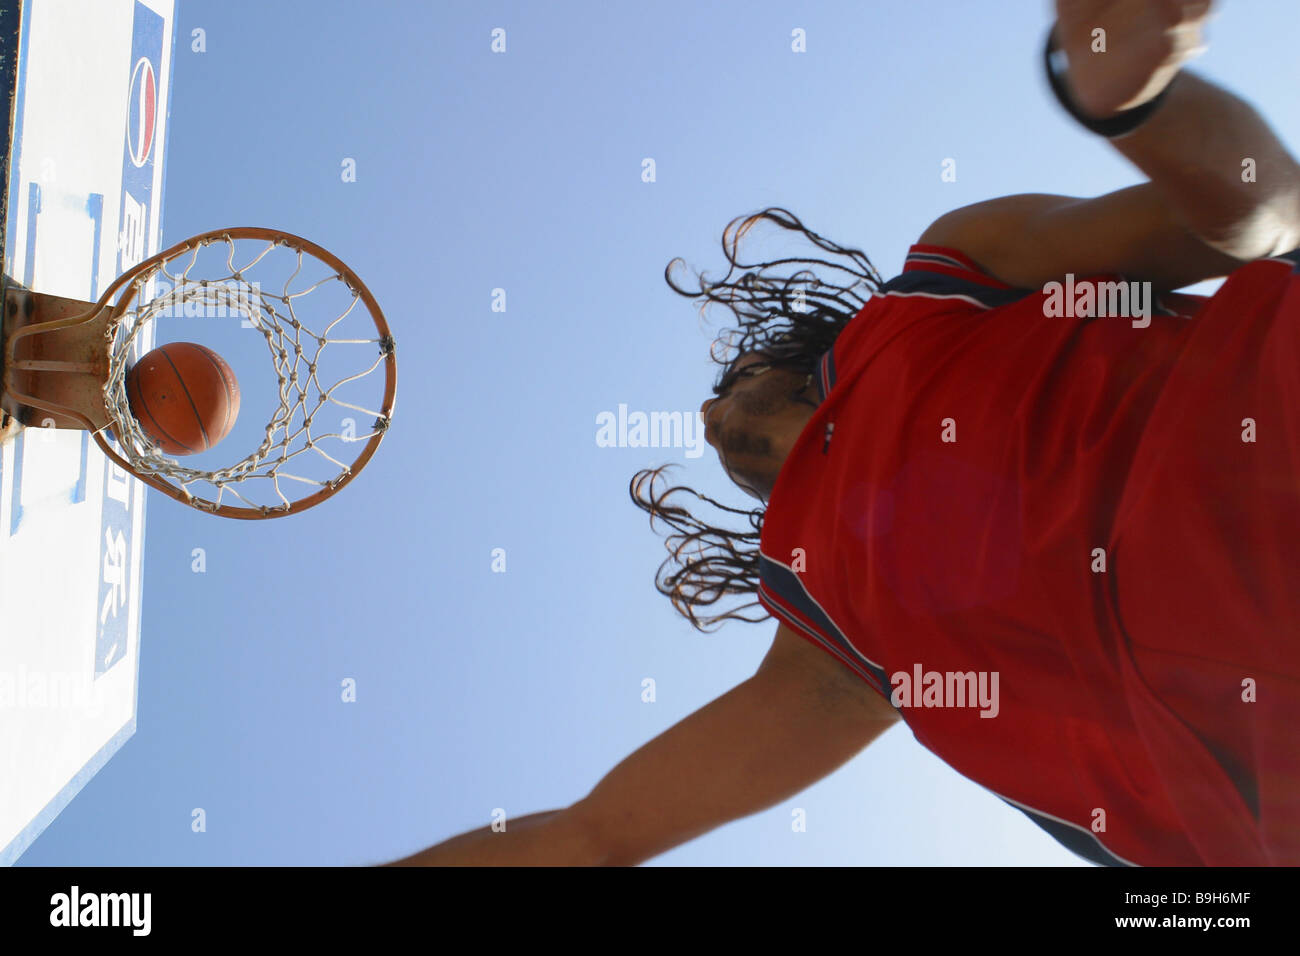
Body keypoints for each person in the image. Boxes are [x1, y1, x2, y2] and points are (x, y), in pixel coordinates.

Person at [389, 0, 1299, 866]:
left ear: (782, 358)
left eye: (723, 388)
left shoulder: (947, 281)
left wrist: (1142, 104)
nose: (705, 419)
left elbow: (1257, 218)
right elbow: (592, 840)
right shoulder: (826, 634)